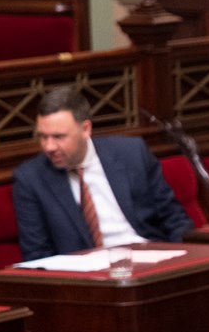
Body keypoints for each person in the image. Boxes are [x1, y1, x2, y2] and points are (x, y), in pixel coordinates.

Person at [13, 85, 193, 261]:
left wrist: (184, 259)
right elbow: (37, 256)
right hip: (87, 278)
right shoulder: (31, 179)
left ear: (85, 129)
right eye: (43, 137)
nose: (49, 147)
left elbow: (174, 218)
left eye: (59, 137)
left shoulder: (131, 153)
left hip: (150, 260)